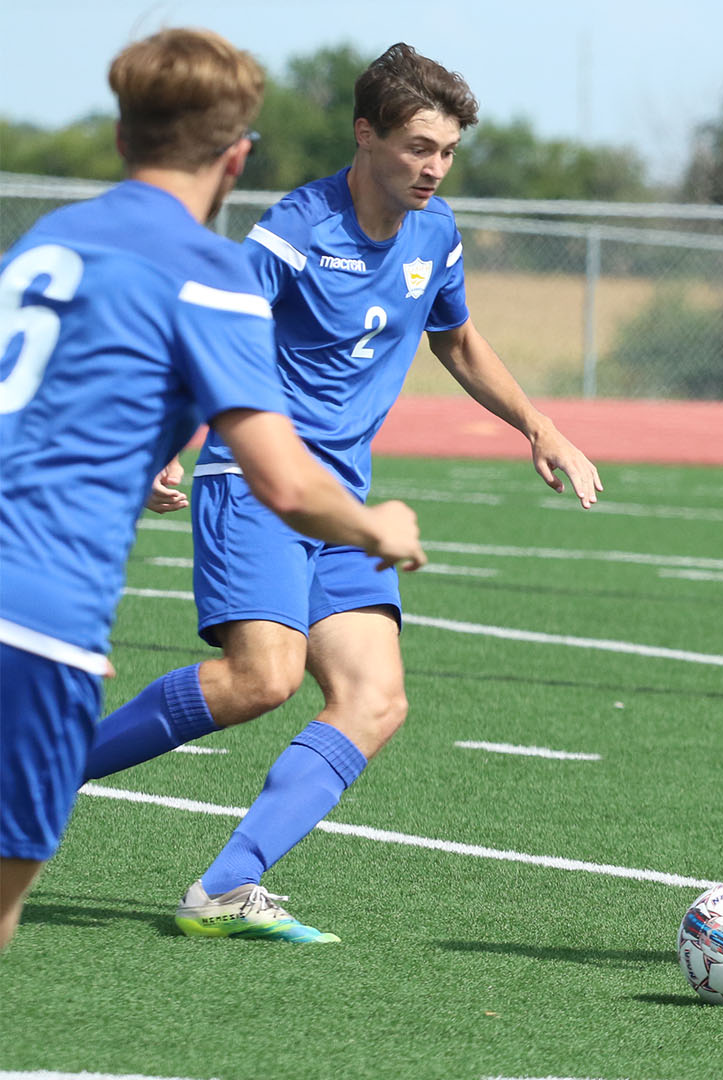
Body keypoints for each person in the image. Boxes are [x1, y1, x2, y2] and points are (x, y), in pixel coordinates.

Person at [81, 42, 602, 944]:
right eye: (416, 146)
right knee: (262, 679)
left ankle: (225, 889)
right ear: (365, 135)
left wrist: (540, 426)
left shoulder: (436, 236)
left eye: (446, 151)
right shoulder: (293, 230)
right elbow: (206, 334)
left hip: (344, 505)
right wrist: (164, 445)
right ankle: (43, 768)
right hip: (256, 481)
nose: (433, 168)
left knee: (376, 699)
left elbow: (460, 343)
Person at [0, 28, 427, 952]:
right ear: (237, 158)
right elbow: (281, 478)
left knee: (371, 694)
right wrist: (375, 525)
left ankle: (232, 881)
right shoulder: (215, 271)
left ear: (121, 138)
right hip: (43, 611)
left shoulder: (44, 242)